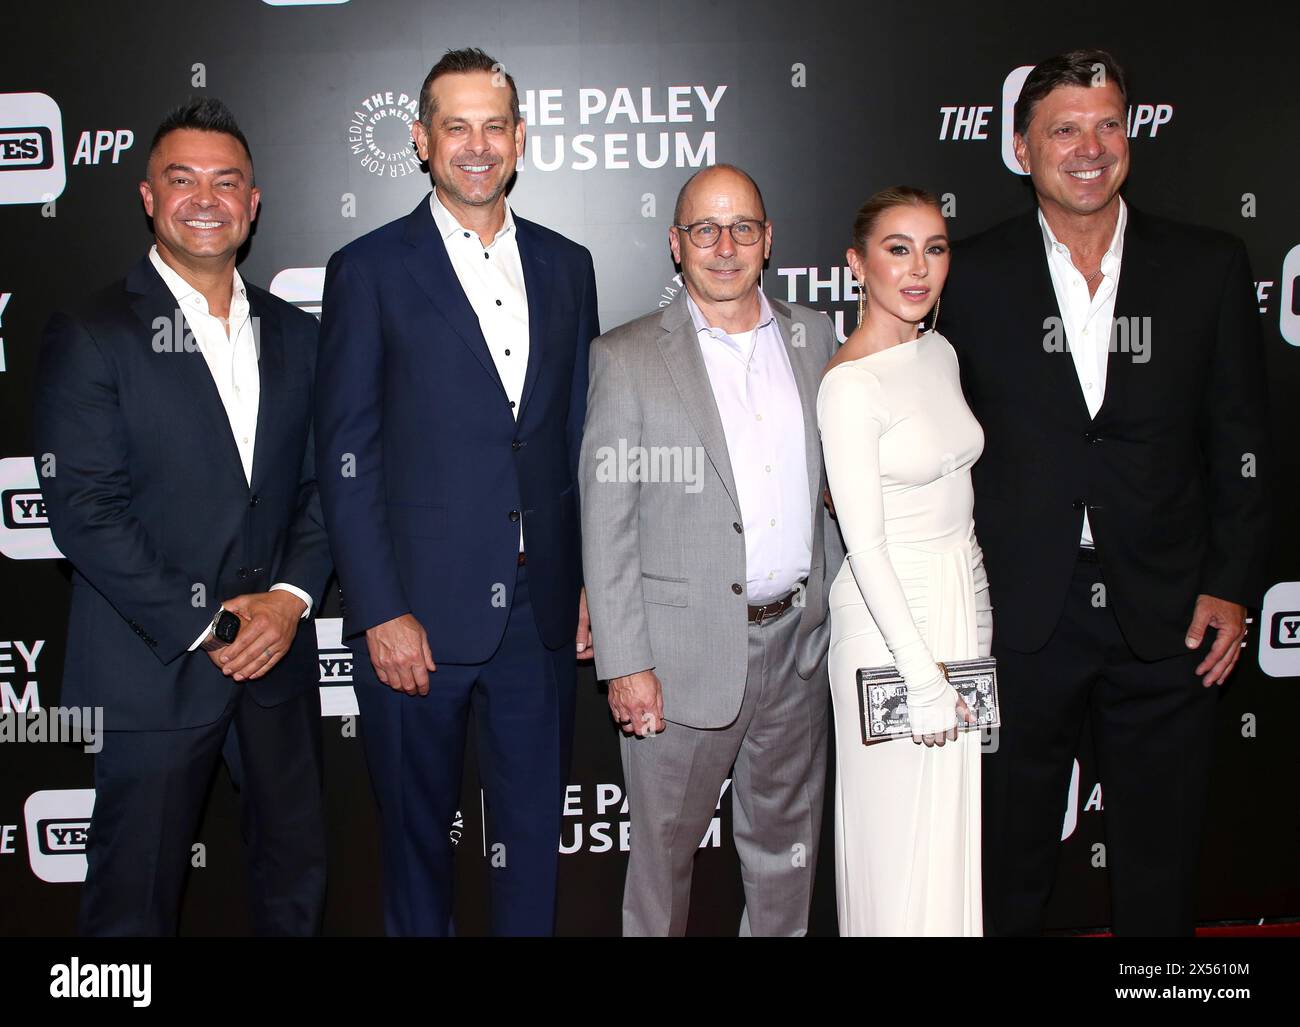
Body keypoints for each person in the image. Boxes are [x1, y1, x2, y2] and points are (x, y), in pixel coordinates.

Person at [941, 49, 1271, 936]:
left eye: (1107, 125)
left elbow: (1243, 441)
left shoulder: (1206, 266)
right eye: (1064, 129)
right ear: (1022, 147)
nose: (1089, 148)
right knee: (1007, 867)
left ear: (1129, 135)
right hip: (1017, 616)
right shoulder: (965, 276)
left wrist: (1232, 583)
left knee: (1162, 871)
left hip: (1168, 616)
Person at [315, 47, 599, 937]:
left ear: (519, 140)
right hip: (418, 621)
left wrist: (586, 580)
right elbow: (345, 451)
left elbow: (575, 440)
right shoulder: (367, 269)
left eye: (493, 127)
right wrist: (381, 609)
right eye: (455, 126)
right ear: (421, 140)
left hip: (539, 613)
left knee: (529, 847)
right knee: (414, 849)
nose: (476, 146)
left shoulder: (567, 264)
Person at [34, 98, 331, 936]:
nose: (206, 198)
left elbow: (327, 487)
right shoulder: (93, 332)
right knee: (132, 906)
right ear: (148, 197)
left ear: (254, 201)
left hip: (277, 662)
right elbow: (83, 511)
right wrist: (210, 625)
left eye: (226, 181)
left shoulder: (298, 336)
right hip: (152, 668)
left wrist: (289, 598)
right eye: (182, 179)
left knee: (294, 887)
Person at [580, 164, 842, 936]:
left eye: (743, 228)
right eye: (705, 230)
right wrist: (626, 662)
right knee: (662, 869)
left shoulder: (816, 336)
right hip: (677, 660)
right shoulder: (625, 356)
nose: (725, 247)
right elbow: (608, 520)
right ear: (676, 244)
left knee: (786, 861)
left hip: (799, 647)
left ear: (769, 240)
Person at [817, 187, 988, 936]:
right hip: (889, 625)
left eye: (935, 247)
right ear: (857, 264)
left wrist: (975, 627)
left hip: (955, 600)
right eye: (897, 248)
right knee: (896, 848)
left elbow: (959, 499)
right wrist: (922, 677)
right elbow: (867, 542)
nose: (918, 268)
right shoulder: (848, 385)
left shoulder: (939, 350)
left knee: (949, 838)